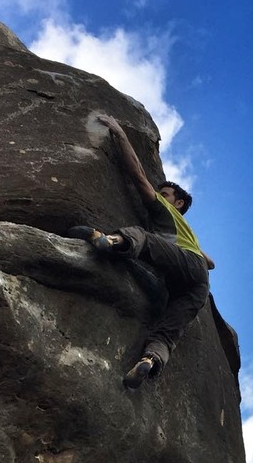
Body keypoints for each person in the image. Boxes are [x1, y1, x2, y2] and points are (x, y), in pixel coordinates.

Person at [72, 115, 212, 388]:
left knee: (144, 239)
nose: (160, 194)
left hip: (184, 265)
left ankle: (113, 242)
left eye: (167, 193)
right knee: (167, 332)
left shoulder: (165, 209)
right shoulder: (188, 232)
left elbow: (137, 175)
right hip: (197, 288)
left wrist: (120, 134)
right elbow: (211, 263)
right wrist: (200, 255)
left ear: (179, 202)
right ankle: (150, 360)